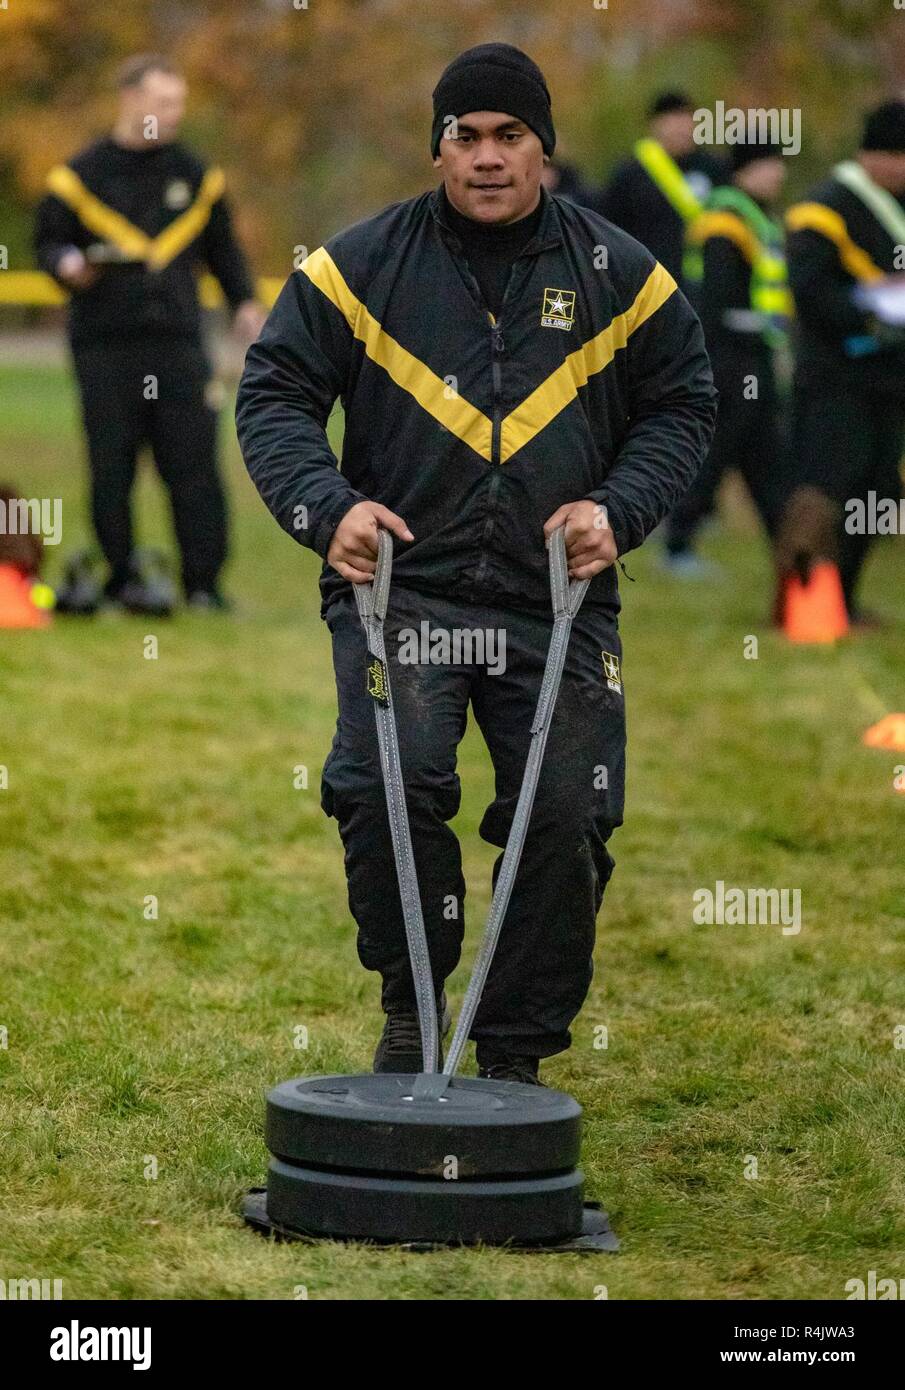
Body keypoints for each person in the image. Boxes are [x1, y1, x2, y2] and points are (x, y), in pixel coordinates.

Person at [236, 43, 716, 1084]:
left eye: (509, 136)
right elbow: (271, 393)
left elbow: (683, 401)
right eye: (466, 136)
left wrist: (617, 509)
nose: (487, 157)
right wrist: (327, 510)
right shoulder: (356, 267)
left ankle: (509, 1051)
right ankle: (411, 1004)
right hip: (402, 597)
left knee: (568, 808)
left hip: (556, 599)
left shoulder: (618, 274)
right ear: (437, 146)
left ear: (543, 147)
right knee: (383, 786)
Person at [34, 54, 266, 613]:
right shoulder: (79, 177)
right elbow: (48, 243)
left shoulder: (195, 174)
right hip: (105, 345)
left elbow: (224, 251)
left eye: (179, 103)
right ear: (131, 100)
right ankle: (121, 580)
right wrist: (67, 264)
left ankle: (204, 586)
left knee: (194, 465)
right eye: (164, 103)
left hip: (178, 344)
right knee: (110, 465)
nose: (174, 114)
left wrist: (245, 304)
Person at [779, 100, 905, 625]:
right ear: (881, 156)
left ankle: (844, 603)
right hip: (835, 378)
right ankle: (801, 606)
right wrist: (871, 317)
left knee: (876, 492)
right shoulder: (824, 208)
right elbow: (809, 292)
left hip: (889, 381)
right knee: (828, 488)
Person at [664, 139, 793, 575]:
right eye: (770, 164)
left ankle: (793, 550)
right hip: (731, 360)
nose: (779, 174)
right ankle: (678, 545)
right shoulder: (725, 221)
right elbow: (717, 303)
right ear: (745, 169)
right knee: (716, 451)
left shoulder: (755, 217)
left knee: (766, 459)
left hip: (755, 357)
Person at [598, 91, 727, 291]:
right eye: (674, 120)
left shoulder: (713, 168)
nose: (683, 128)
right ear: (655, 125)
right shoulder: (631, 174)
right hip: (646, 284)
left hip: (702, 288)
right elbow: (610, 230)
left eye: (688, 119)